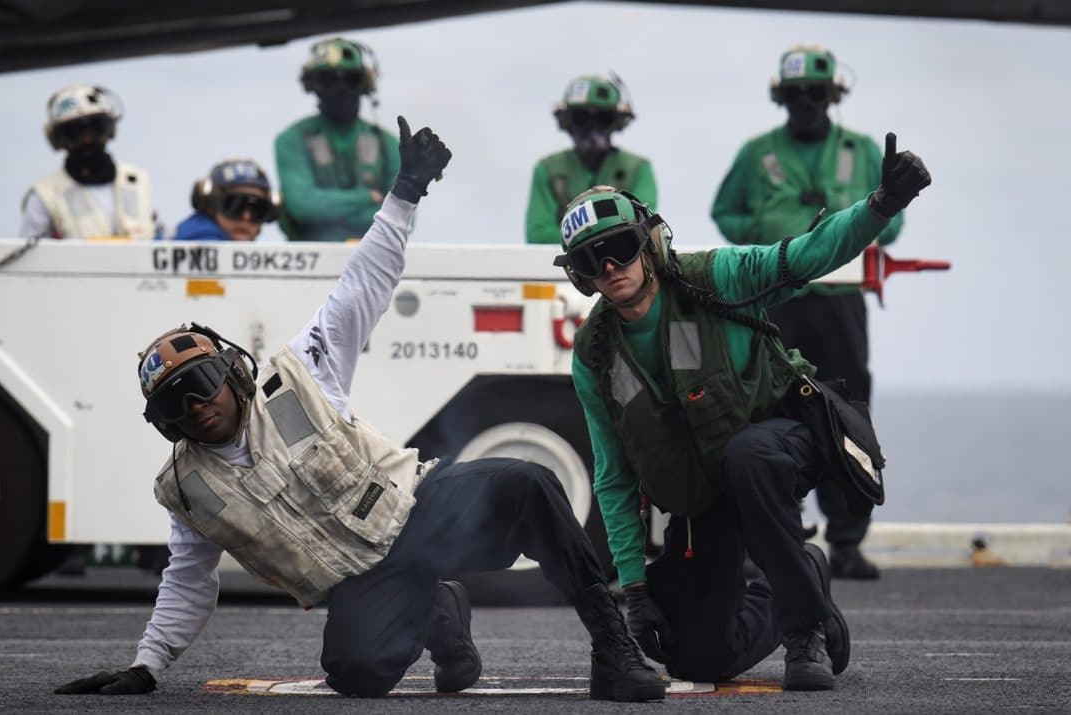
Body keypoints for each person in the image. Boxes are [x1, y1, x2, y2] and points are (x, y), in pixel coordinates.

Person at [53, 117, 666, 703]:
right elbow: (187, 584)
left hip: (418, 508)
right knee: (356, 674)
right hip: (362, 575)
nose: (195, 407)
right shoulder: (190, 489)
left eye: (202, 382)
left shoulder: (299, 375)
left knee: (530, 481)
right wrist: (146, 666)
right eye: (173, 403)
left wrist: (405, 192)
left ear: (233, 372)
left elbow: (363, 283)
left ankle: (613, 650)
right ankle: (438, 609)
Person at [553, 134, 929, 690]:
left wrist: (881, 205)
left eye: (622, 247)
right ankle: (804, 583)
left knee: (748, 455)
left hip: (783, 443)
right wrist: (633, 589)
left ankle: (806, 636)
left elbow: (807, 253)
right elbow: (612, 475)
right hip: (707, 488)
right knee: (698, 657)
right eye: (591, 260)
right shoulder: (595, 353)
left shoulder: (716, 278)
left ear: (649, 241)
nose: (610, 267)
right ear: (580, 275)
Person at [711, 45, 902, 580]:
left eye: (815, 93)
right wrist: (769, 246)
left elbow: (894, 214)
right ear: (782, 98)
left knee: (847, 410)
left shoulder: (862, 151)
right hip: (778, 298)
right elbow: (726, 212)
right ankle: (778, 531)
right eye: (796, 95)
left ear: (832, 95)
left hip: (841, 301)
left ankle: (846, 540)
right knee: (767, 406)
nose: (806, 104)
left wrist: (867, 230)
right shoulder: (756, 154)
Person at [274, 37, 400, 242]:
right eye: (328, 80)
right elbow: (301, 205)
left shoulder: (389, 146)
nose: (340, 90)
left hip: (375, 263)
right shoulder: (292, 140)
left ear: (365, 85)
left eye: (350, 79)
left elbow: (402, 217)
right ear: (313, 86)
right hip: (312, 262)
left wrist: (329, 213)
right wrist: (366, 198)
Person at [525, 74, 657, 244]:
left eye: (602, 118)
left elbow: (641, 225)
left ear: (615, 122)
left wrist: (577, 234)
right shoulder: (548, 170)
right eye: (581, 118)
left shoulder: (638, 168)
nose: (591, 128)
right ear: (568, 121)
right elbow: (538, 235)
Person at [21, 84, 159, 240]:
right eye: (75, 133)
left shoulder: (138, 181)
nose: (87, 139)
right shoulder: (45, 195)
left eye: (96, 128)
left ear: (109, 130)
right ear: (59, 140)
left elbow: (159, 239)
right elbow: (31, 258)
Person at [171, 159, 281, 242]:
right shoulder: (200, 239)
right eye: (235, 204)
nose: (246, 217)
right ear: (212, 206)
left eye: (257, 208)